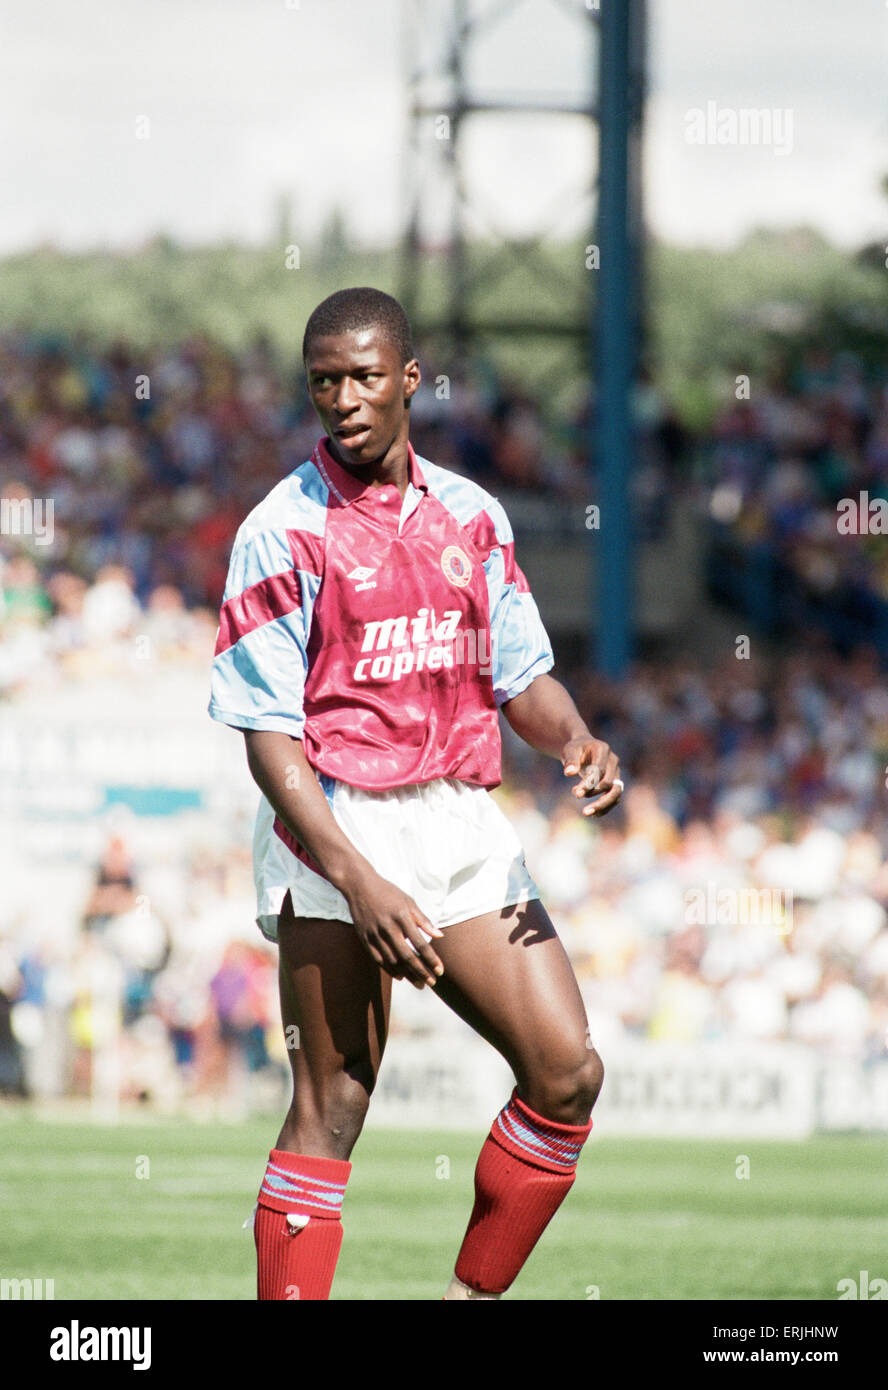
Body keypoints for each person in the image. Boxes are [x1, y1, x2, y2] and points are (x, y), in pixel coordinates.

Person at [208, 286, 624, 1300]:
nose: (342, 398)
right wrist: (358, 879)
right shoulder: (280, 532)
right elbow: (269, 740)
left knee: (567, 1072)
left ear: (409, 380)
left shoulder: (473, 516)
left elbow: (520, 677)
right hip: (332, 820)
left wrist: (575, 737)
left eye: (360, 376)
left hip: (457, 815)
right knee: (333, 1105)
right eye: (322, 382)